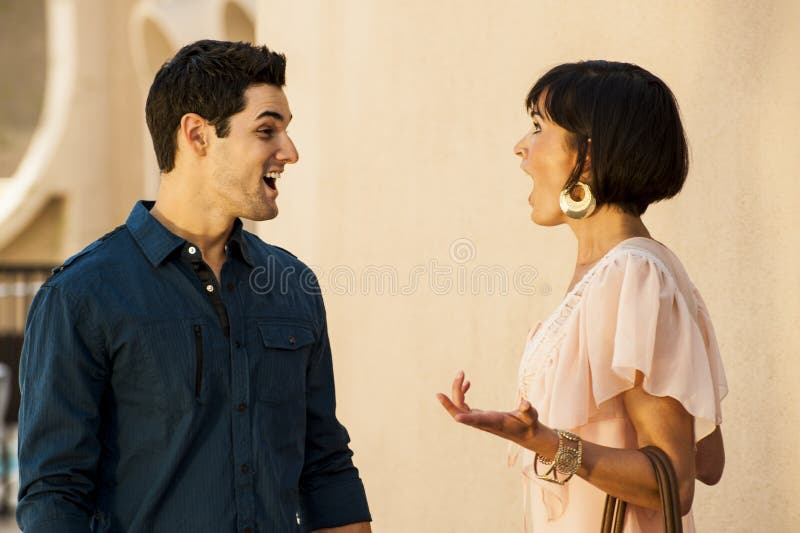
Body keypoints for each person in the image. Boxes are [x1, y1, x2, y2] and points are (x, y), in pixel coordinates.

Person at [17, 40, 371, 533]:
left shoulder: (294, 286)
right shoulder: (82, 296)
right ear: (197, 135)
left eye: (286, 131)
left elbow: (326, 466)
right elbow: (54, 495)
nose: (289, 152)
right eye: (267, 130)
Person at [437, 61, 727, 532]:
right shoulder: (621, 273)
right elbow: (707, 456)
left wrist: (549, 443)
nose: (520, 148)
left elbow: (679, 479)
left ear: (587, 155)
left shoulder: (633, 275)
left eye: (538, 127)